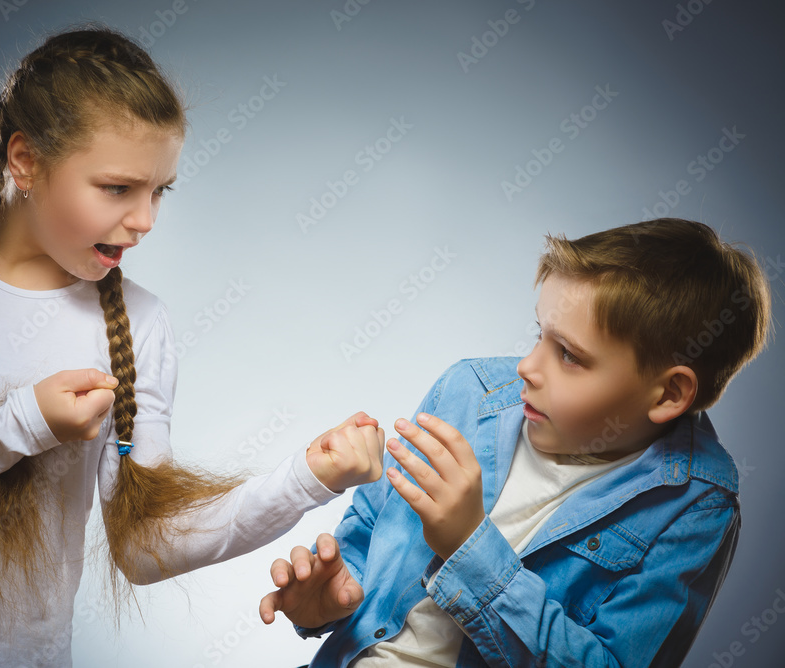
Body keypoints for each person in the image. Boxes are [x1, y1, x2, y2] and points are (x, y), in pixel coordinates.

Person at [0, 26, 386, 667]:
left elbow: (144, 547)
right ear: (25, 161)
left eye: (160, 191)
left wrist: (307, 477)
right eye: (117, 188)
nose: (146, 220)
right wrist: (23, 424)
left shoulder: (140, 322)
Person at [259, 218, 771, 667]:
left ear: (668, 392)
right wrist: (329, 601)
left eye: (569, 355)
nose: (527, 366)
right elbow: (371, 528)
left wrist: (469, 547)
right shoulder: (468, 392)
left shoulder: (695, 507)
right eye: (539, 333)